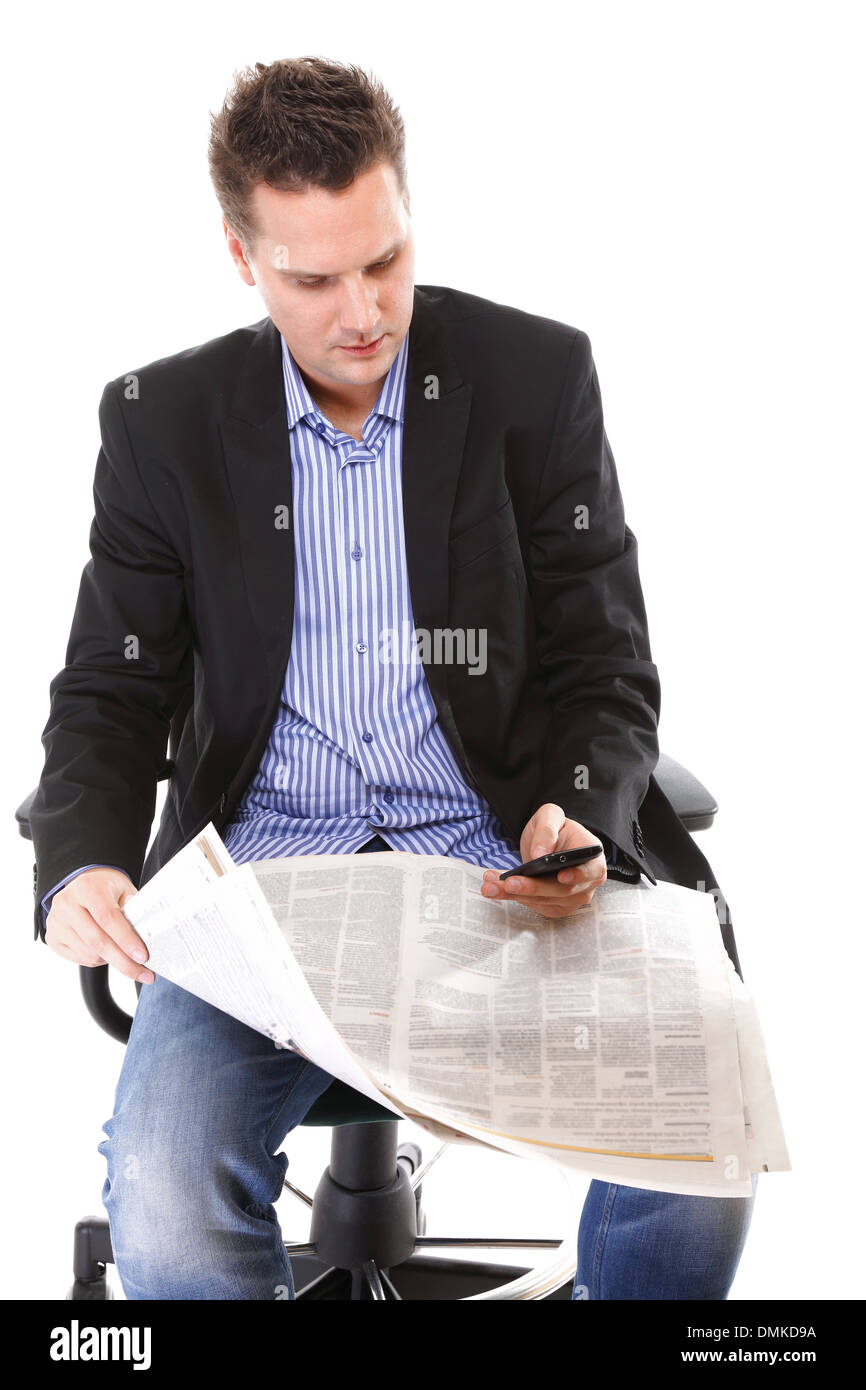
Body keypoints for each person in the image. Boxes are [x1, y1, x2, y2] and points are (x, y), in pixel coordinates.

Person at [30, 55, 756, 1299]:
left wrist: (576, 809)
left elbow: (601, 659)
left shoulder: (533, 380)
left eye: (384, 260)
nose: (362, 309)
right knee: (161, 1194)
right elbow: (112, 683)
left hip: (490, 871)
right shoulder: (165, 423)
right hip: (262, 897)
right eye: (313, 279)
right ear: (240, 258)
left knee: (700, 1135)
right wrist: (82, 862)